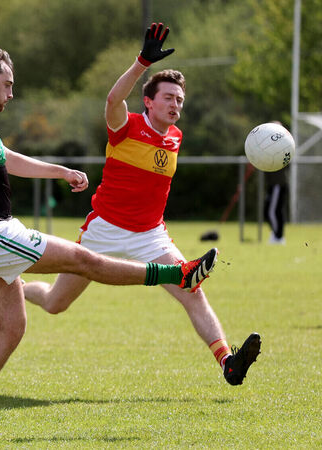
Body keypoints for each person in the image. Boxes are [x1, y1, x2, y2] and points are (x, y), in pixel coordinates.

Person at [0, 46, 219, 436]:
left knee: (10, 326)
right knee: (83, 259)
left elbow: (5, 158)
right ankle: (176, 274)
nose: (11, 93)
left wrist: (59, 171)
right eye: (7, 85)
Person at [22, 23, 261, 388]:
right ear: (149, 101)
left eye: (179, 100)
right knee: (56, 302)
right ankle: (17, 290)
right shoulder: (126, 126)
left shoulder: (176, 137)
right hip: (104, 230)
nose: (175, 104)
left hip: (151, 235)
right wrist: (141, 63)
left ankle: (228, 361)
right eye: (168, 97)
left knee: (193, 293)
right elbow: (112, 100)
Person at [264, 122, 287, 245]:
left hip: (278, 185)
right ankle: (276, 234)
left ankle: (278, 237)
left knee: (272, 211)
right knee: (268, 211)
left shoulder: (283, 147)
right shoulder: (267, 146)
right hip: (272, 185)